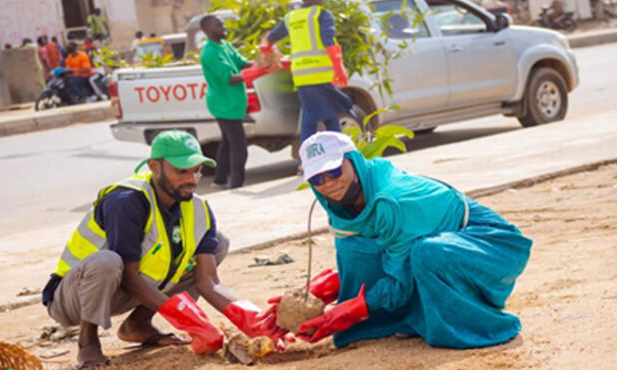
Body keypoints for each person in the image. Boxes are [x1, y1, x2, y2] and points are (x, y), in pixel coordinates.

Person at [42, 130, 288, 370]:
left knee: (218, 244)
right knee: (107, 261)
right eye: (181, 171)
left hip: (128, 290)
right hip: (74, 298)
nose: (192, 179)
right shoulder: (126, 200)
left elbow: (209, 281)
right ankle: (88, 342)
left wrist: (252, 320)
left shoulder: (198, 208)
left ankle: (138, 325)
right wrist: (190, 321)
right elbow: (128, 276)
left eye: (196, 170)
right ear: (154, 166)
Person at [282, 131, 532, 350]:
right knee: (353, 246)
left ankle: (478, 323)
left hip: (490, 246)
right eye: (317, 179)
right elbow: (371, 256)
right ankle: (403, 317)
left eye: (335, 171)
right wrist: (319, 291)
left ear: (355, 163)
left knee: (427, 253)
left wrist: (345, 312)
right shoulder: (344, 205)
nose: (329, 184)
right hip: (445, 246)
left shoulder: (391, 200)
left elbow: (400, 283)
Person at [200, 15, 275, 189]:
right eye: (219, 24)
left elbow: (242, 63)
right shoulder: (210, 53)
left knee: (227, 142)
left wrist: (263, 62)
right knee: (239, 145)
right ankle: (236, 183)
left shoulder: (224, 45)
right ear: (208, 29)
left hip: (231, 103)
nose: (224, 26)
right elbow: (229, 78)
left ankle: (219, 180)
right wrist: (257, 73)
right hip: (223, 105)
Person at [263, 0, 354, 143]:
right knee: (315, 116)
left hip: (301, 75)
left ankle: (339, 150)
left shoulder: (291, 17)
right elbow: (328, 42)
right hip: (320, 74)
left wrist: (270, 51)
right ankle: (310, 157)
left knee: (326, 113)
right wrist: (339, 68)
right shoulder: (321, 15)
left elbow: (270, 38)